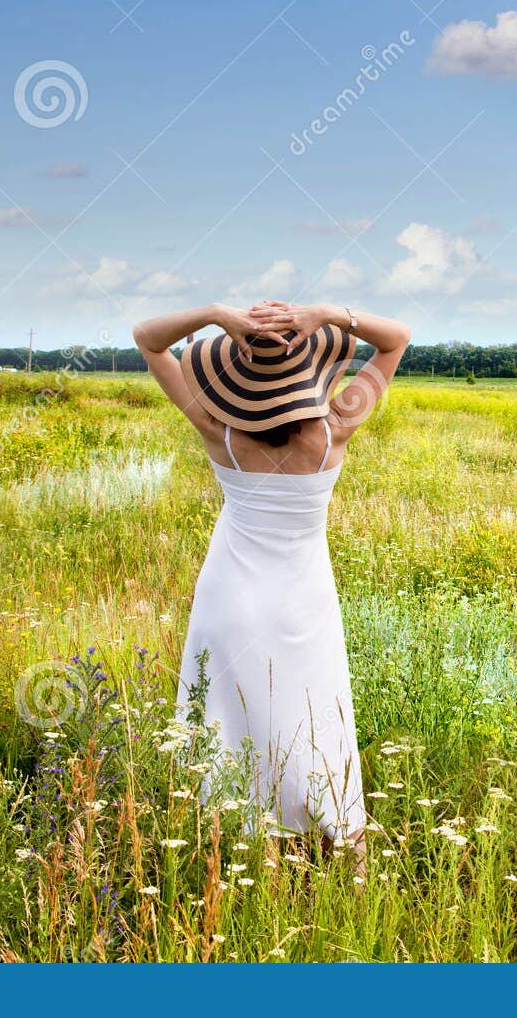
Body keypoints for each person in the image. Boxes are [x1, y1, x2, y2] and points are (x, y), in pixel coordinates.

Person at [132, 298, 410, 866]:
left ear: (236, 379)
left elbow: (148, 338)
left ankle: (235, 843)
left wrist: (216, 314)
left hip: (228, 599)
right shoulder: (335, 430)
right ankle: (340, 845)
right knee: (315, 718)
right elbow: (397, 339)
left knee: (231, 720)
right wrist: (331, 315)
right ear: (308, 371)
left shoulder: (217, 431)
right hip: (303, 604)